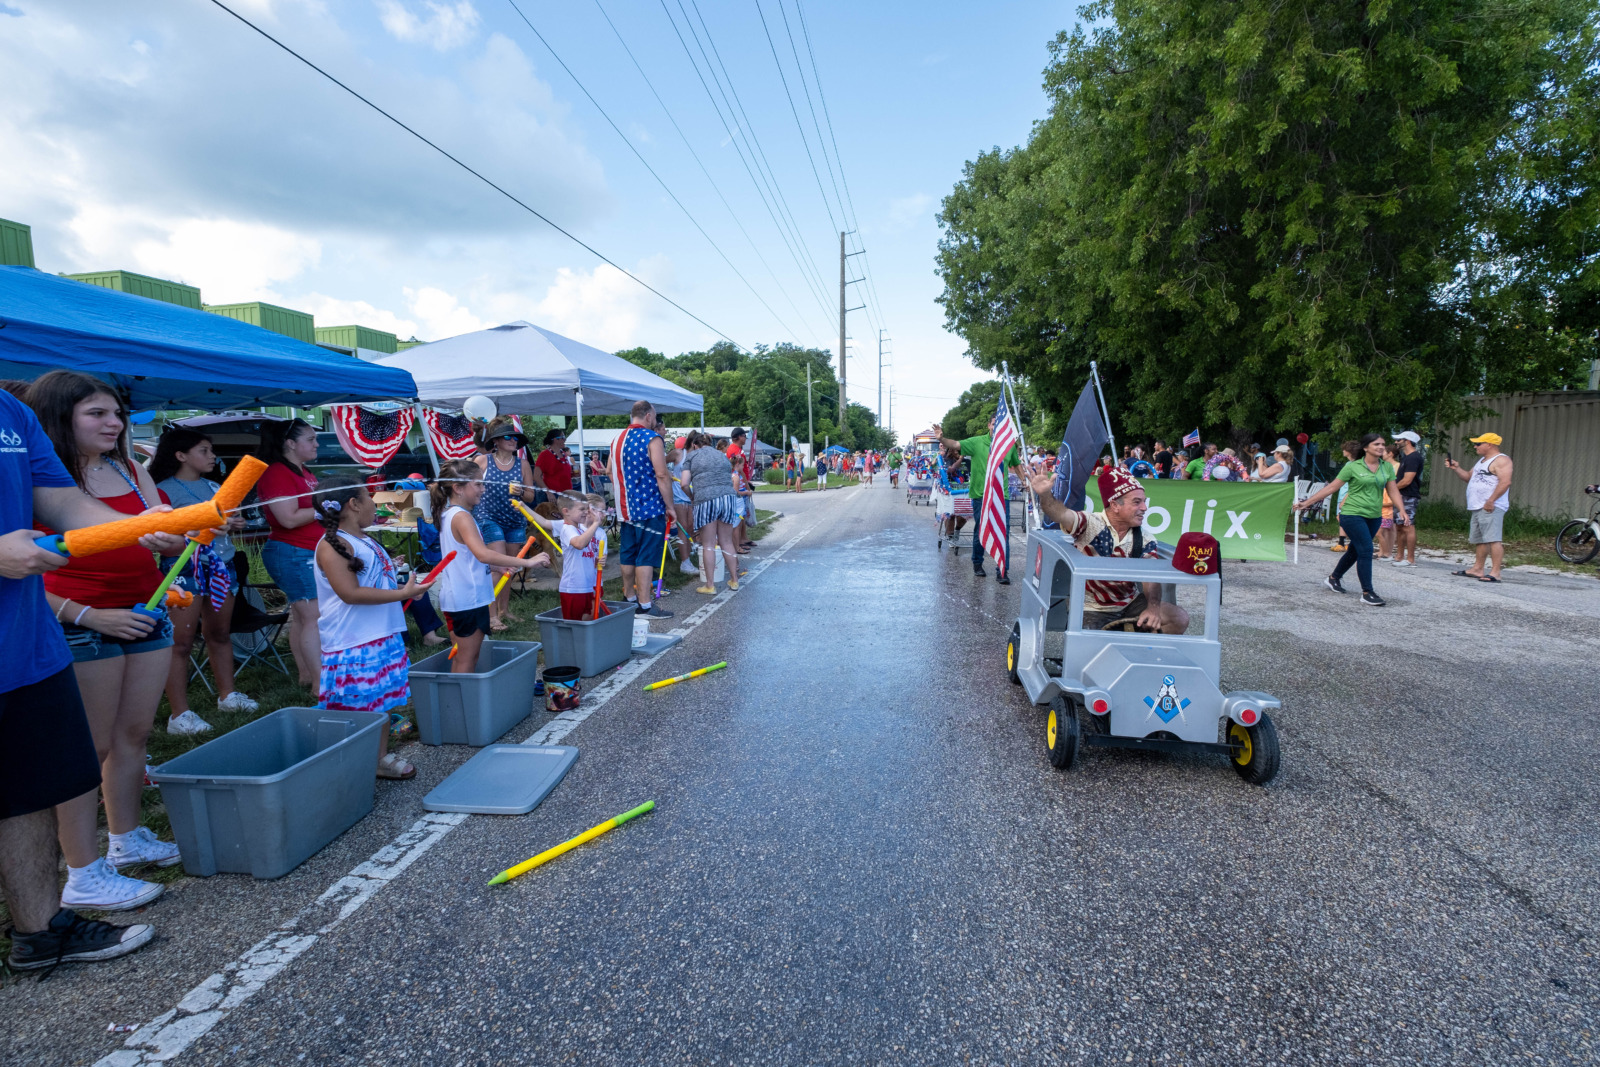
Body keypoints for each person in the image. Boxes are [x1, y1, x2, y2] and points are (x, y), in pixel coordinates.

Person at [0, 381, 183, 969]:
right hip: (73, 627)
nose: (112, 422)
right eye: (96, 412)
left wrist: (135, 526)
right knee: (80, 758)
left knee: (37, 784)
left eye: (117, 413)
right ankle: (79, 879)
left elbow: (63, 503)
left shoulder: (11, 414)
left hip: (30, 646)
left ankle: (42, 930)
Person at [311, 475, 432, 780]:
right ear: (353, 504)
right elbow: (350, 593)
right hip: (353, 641)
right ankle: (348, 764)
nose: (374, 503)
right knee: (356, 708)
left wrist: (400, 580)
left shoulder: (363, 538)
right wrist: (403, 594)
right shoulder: (330, 546)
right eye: (368, 497)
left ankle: (378, 758)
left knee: (380, 703)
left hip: (381, 634)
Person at [149, 427, 256, 735]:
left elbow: (228, 519)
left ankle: (228, 695)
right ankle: (179, 715)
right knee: (180, 643)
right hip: (182, 570)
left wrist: (234, 522)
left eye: (212, 450)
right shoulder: (163, 491)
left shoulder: (214, 486)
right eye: (204, 451)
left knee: (220, 633)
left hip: (222, 566)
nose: (213, 456)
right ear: (181, 455)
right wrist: (201, 526)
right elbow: (162, 534)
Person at [1027, 465, 1190, 633]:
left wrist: (1153, 608)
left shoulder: (1145, 538)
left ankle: (1146, 652)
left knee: (1178, 618)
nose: (1144, 508)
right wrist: (1045, 494)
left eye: (1144, 502)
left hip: (1130, 603)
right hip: (1092, 608)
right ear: (1115, 505)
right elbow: (1060, 514)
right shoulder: (1090, 523)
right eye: (1137, 502)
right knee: (1092, 649)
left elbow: (1151, 576)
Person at [431, 460, 550, 673]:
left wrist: (495, 568)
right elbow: (483, 553)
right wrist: (527, 562)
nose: (483, 489)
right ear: (458, 488)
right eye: (477, 484)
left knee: (463, 657)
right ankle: (464, 703)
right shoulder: (462, 517)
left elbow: (465, 557)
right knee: (467, 659)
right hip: (468, 599)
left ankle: (462, 701)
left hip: (460, 598)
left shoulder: (450, 513)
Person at [1294, 433, 1410, 606]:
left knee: (1355, 550)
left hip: (1374, 516)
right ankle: (1367, 592)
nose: (1381, 447)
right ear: (1366, 448)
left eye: (1383, 444)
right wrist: (1307, 503)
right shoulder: (1353, 467)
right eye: (1376, 444)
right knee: (1366, 549)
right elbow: (1332, 487)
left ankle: (1333, 578)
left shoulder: (1386, 467)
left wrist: (1402, 509)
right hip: (1352, 514)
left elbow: (1393, 490)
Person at [255, 417, 323, 693]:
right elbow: (288, 519)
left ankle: (307, 676)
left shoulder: (303, 472)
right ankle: (321, 683)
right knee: (314, 618)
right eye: (311, 439)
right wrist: (325, 508)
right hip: (293, 552)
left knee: (303, 616)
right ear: (290, 443)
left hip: (304, 550)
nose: (317, 444)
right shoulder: (277, 473)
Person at [606, 401, 674, 618]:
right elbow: (662, 475)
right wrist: (670, 506)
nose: (654, 421)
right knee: (645, 555)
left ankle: (629, 598)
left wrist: (625, 488)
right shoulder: (652, 438)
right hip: (649, 507)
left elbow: (608, 471)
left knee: (628, 554)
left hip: (624, 508)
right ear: (647, 416)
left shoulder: (617, 439)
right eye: (653, 417)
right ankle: (644, 605)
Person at [937, 416, 1021, 583]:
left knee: (1003, 534)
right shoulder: (976, 442)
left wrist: (1025, 480)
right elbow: (955, 444)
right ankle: (977, 563)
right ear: (989, 425)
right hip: (981, 495)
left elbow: (1016, 464)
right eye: (994, 423)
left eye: (1000, 424)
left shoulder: (1008, 444)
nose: (996, 427)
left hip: (1001, 496)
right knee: (982, 530)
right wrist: (941, 439)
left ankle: (1003, 571)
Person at [472, 417, 536, 631]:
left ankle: (504, 610)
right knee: (498, 567)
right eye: (508, 437)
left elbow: (530, 497)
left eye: (516, 438)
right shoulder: (482, 462)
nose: (513, 441)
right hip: (488, 517)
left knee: (509, 568)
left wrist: (522, 492)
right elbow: (467, 486)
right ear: (496, 441)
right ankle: (490, 616)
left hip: (514, 520)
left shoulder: (523, 464)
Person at [1444, 432, 1513, 582]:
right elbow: (1469, 478)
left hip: (1491, 506)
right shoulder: (1482, 460)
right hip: (1477, 505)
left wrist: (1491, 500)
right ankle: (1477, 569)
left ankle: (1495, 573)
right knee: (1480, 539)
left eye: (1478, 443)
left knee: (1493, 539)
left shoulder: (1501, 460)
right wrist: (1456, 468)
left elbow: (1505, 482)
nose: (1475, 446)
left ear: (1490, 444)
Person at [681, 432, 743, 595]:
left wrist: (693, 498)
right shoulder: (722, 455)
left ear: (695, 445)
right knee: (727, 542)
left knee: (708, 544)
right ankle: (735, 580)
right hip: (728, 498)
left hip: (706, 499)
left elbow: (684, 484)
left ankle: (710, 585)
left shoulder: (692, 456)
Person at [549, 495, 606, 619]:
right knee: (574, 623)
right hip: (574, 587)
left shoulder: (589, 531)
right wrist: (595, 523)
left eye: (586, 509)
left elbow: (591, 555)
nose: (585, 512)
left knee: (590, 619)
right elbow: (579, 544)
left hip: (588, 583)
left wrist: (598, 560)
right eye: (582, 509)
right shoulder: (568, 528)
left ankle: (587, 638)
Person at [1391, 430, 1424, 567]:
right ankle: (1399, 556)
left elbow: (1407, 480)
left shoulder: (1414, 458)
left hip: (1409, 495)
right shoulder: (1406, 458)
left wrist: (1392, 489)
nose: (1396, 442)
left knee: (1407, 526)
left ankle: (1410, 559)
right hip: (1401, 495)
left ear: (1408, 441)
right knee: (1399, 526)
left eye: (1399, 440)